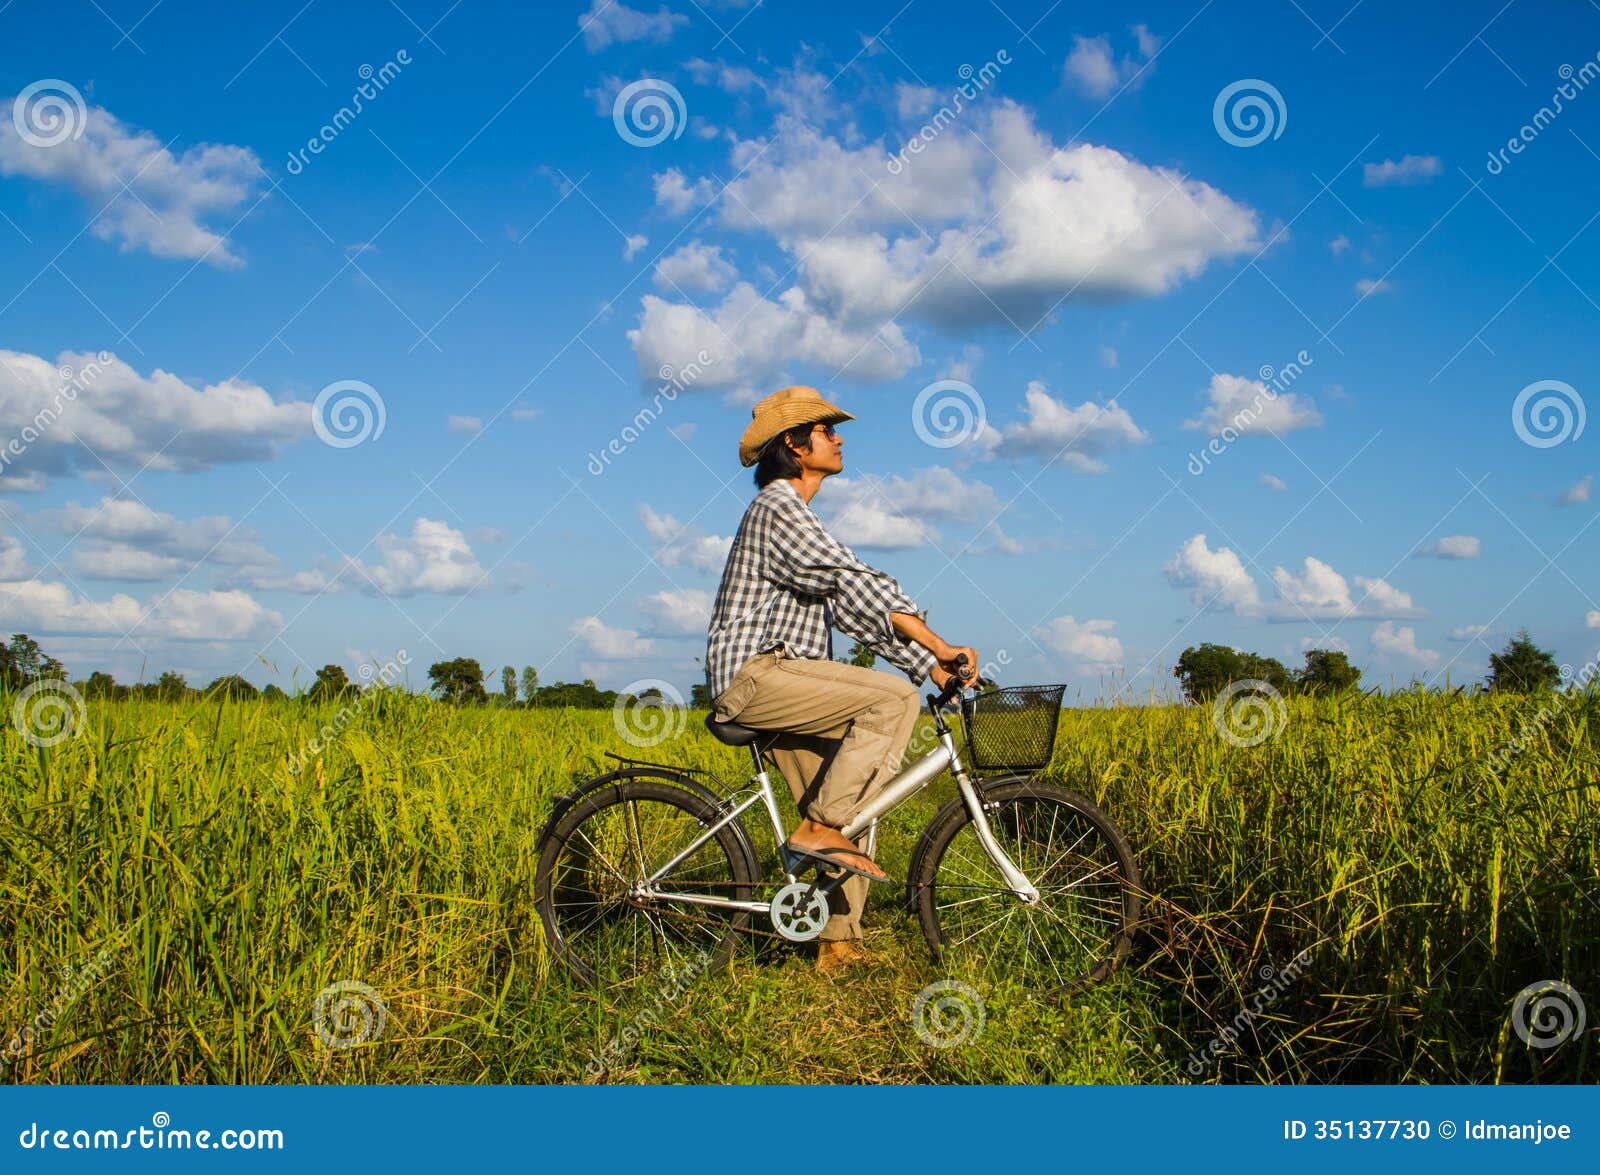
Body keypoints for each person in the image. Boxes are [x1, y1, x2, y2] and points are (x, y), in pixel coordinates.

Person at [704, 385, 977, 973]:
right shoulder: (778, 508)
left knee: (853, 803)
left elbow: (852, 608)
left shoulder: (796, 515)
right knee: (893, 703)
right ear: (794, 447)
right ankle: (817, 830)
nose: (839, 437)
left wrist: (926, 664)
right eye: (828, 431)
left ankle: (838, 945)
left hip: (789, 681)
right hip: (758, 677)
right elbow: (852, 578)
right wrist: (937, 645)